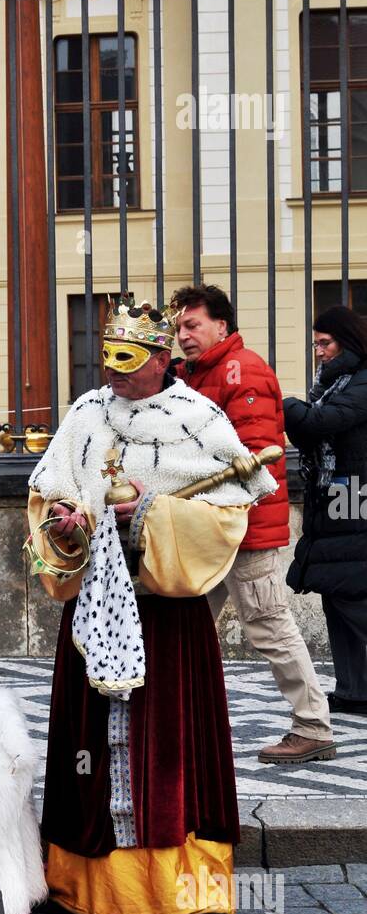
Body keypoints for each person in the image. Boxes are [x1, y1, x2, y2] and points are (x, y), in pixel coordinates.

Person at [27, 297, 276, 914]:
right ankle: (79, 884)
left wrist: (148, 516)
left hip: (165, 615)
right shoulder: (86, 414)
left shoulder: (197, 418)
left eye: (128, 361)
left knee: (172, 745)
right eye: (106, 358)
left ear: (161, 360)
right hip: (95, 605)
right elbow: (47, 490)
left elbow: (227, 513)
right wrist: (67, 521)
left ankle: (190, 893)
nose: (112, 373)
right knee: (86, 747)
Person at [172, 283, 336, 764]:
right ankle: (179, 722)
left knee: (268, 624)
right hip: (211, 526)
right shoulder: (199, 373)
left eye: (192, 324)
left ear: (221, 325)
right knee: (184, 624)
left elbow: (250, 462)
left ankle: (313, 726)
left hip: (244, 528)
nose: (183, 335)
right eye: (179, 326)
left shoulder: (243, 372)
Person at [283, 306, 367, 716]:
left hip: (357, 496)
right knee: (335, 593)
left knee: (351, 590)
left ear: (347, 341)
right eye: (315, 343)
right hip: (337, 495)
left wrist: (286, 406)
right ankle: (354, 690)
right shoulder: (331, 382)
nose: (318, 351)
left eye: (325, 343)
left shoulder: (362, 380)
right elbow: (310, 426)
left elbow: (322, 423)